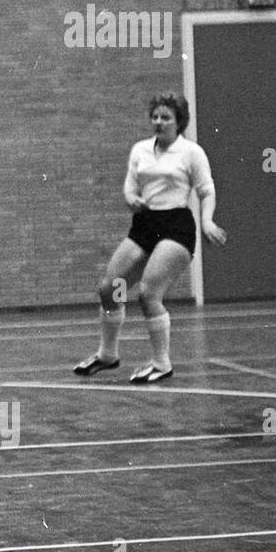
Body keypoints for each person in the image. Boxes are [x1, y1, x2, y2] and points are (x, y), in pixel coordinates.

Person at [73, 92, 227, 383]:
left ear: (178, 121)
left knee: (147, 294)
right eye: (155, 117)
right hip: (145, 225)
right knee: (110, 289)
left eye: (165, 117)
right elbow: (130, 188)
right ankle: (108, 355)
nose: (158, 122)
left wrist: (207, 221)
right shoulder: (140, 150)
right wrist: (132, 199)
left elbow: (206, 191)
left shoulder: (191, 153)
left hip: (175, 227)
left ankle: (161, 363)